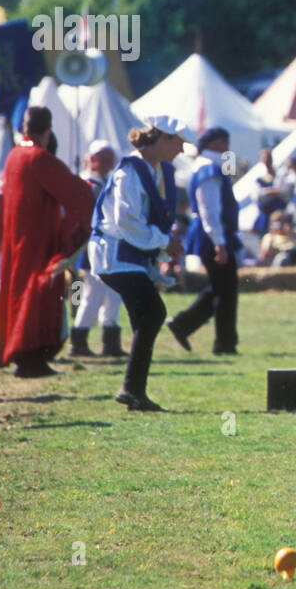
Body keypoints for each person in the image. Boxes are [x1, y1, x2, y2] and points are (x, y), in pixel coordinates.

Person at [88, 117, 188, 410]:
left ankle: (132, 390)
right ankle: (131, 389)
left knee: (149, 315)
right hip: (116, 255)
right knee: (152, 313)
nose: (181, 150)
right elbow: (125, 220)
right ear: (162, 138)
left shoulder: (151, 169)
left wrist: (163, 243)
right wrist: (162, 241)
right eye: (179, 142)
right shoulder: (130, 172)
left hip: (128, 256)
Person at [0, 106, 94, 378]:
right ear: (48, 131)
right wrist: (67, 241)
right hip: (38, 240)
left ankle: (25, 355)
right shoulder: (39, 158)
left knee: (19, 293)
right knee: (39, 292)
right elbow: (81, 195)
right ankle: (30, 357)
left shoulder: (14, 155)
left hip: (16, 240)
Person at [167, 127, 241, 355]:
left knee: (222, 287)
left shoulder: (206, 167)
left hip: (210, 234)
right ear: (215, 143)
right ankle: (223, 342)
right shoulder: (209, 169)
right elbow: (210, 209)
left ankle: (184, 324)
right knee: (226, 290)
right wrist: (219, 242)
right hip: (212, 235)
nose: (227, 146)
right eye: (224, 141)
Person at [70, 140, 125, 358]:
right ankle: (79, 340)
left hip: (111, 247)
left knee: (113, 295)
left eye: (108, 158)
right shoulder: (87, 186)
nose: (106, 163)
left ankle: (110, 341)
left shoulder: (108, 183)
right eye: (101, 158)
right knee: (93, 295)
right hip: (92, 248)